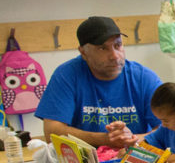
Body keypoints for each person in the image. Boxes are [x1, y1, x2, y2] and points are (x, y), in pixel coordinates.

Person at [37, 16, 162, 149]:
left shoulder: (144, 78)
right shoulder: (66, 75)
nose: (115, 56)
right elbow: (52, 132)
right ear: (83, 52)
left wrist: (131, 139)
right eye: (103, 48)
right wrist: (105, 139)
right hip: (85, 157)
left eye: (118, 45)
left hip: (135, 153)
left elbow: (169, 128)